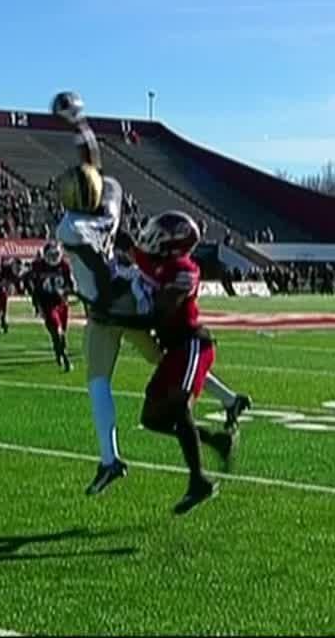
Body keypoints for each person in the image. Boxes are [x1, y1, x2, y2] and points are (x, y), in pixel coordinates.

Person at [48, 90, 251, 497]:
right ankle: (228, 400)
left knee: (98, 380)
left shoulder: (72, 229)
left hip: (113, 305)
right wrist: (81, 127)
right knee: (165, 360)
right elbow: (95, 168)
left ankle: (110, 459)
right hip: (129, 295)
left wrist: (108, 309)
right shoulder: (108, 205)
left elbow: (101, 280)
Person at [131, 211, 234, 514]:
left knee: (179, 406)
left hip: (191, 345)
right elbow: (134, 255)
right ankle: (214, 440)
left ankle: (198, 480)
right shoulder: (160, 263)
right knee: (152, 418)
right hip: (175, 348)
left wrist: (124, 314)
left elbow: (161, 311)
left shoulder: (184, 269)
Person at [28, 241, 75, 371]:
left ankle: (58, 352)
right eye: (51, 254)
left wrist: (65, 291)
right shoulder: (38, 266)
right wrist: (37, 306)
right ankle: (65, 358)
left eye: (56, 254)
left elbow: (71, 285)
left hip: (61, 303)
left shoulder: (64, 266)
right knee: (57, 331)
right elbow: (34, 288)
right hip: (47, 303)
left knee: (62, 333)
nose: (54, 257)